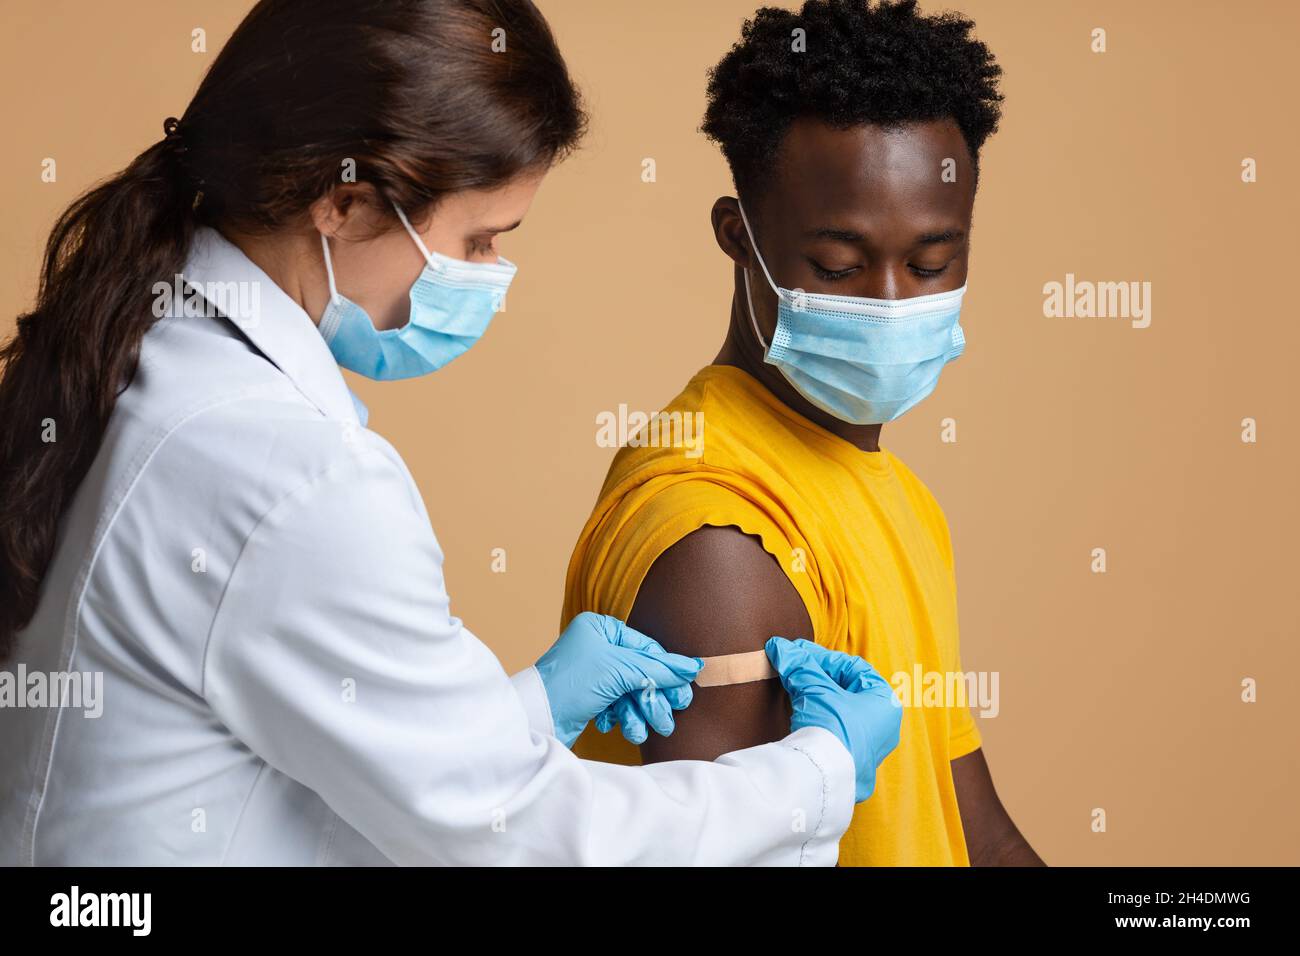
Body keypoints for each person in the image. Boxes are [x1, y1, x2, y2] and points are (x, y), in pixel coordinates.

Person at [0, 0, 902, 866]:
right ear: (345, 204)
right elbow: (521, 838)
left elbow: (310, 730)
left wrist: (525, 711)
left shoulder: (148, 350)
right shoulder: (292, 473)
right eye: (478, 242)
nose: (492, 277)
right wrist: (815, 774)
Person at [566, 0, 1044, 865]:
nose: (893, 303)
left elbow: (975, 833)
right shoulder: (718, 538)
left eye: (932, 262)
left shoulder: (899, 498)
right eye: (839, 266)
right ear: (737, 236)